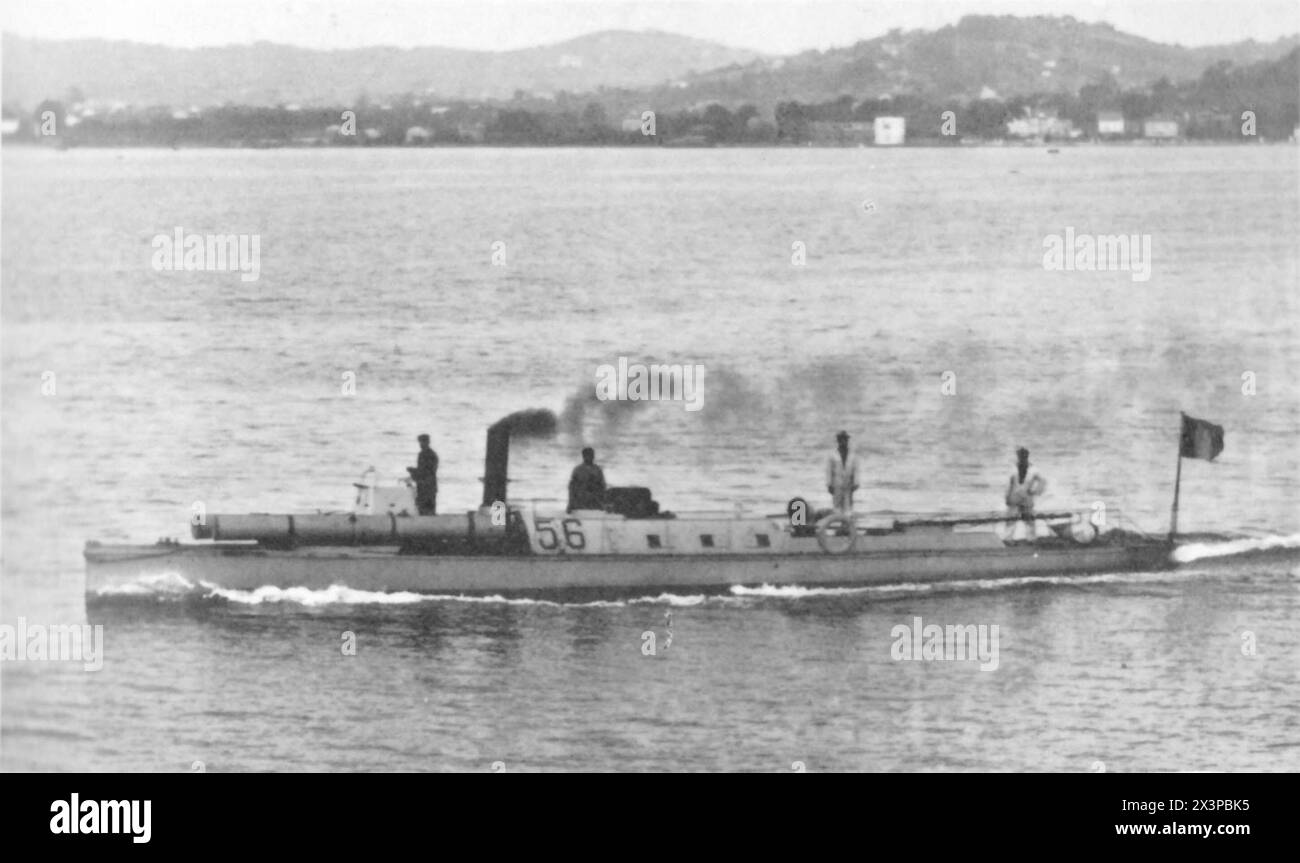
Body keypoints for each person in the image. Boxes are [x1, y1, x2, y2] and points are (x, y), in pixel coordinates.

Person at [1005, 447, 1046, 536]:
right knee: (1011, 519)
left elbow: (1042, 481)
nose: (1022, 458)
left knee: (1029, 520)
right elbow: (1009, 483)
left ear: (1027, 456)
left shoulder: (1033, 469)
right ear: (1018, 456)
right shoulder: (1013, 468)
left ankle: (1031, 539)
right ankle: (1008, 539)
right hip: (1014, 497)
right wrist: (1007, 496)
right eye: (1020, 456)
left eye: (1024, 456)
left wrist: (1035, 491)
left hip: (1027, 498)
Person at [825, 430, 860, 513]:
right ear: (838, 441)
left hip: (848, 484)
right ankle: (837, 523)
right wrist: (829, 484)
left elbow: (856, 470)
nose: (843, 442)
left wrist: (856, 483)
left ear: (847, 441)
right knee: (837, 507)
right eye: (841, 440)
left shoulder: (853, 455)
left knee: (848, 508)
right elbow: (829, 470)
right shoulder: (833, 455)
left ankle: (847, 523)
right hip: (837, 484)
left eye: (845, 439)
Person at [568, 447, 607, 512]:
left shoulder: (597, 470)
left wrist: (602, 503)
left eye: (591, 455)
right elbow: (572, 488)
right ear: (583, 456)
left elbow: (602, 487)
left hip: (595, 501)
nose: (590, 457)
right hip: (580, 501)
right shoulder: (578, 470)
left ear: (593, 456)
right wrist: (570, 504)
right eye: (588, 455)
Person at [408, 434, 439, 515]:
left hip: (424, 487)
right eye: (420, 442)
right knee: (430, 510)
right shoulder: (432, 454)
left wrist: (412, 471)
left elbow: (424, 471)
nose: (421, 444)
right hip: (430, 486)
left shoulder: (423, 454)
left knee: (423, 509)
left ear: (427, 442)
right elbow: (429, 470)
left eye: (422, 442)